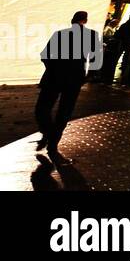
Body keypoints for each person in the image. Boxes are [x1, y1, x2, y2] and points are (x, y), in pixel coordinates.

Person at [35, 11, 101, 166]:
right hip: (74, 79)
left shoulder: (60, 34)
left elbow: (44, 55)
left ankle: (47, 132)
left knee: (42, 108)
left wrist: (52, 68)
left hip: (53, 77)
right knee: (64, 111)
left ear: (72, 21)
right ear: (84, 21)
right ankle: (53, 144)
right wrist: (88, 76)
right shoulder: (92, 35)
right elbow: (95, 59)